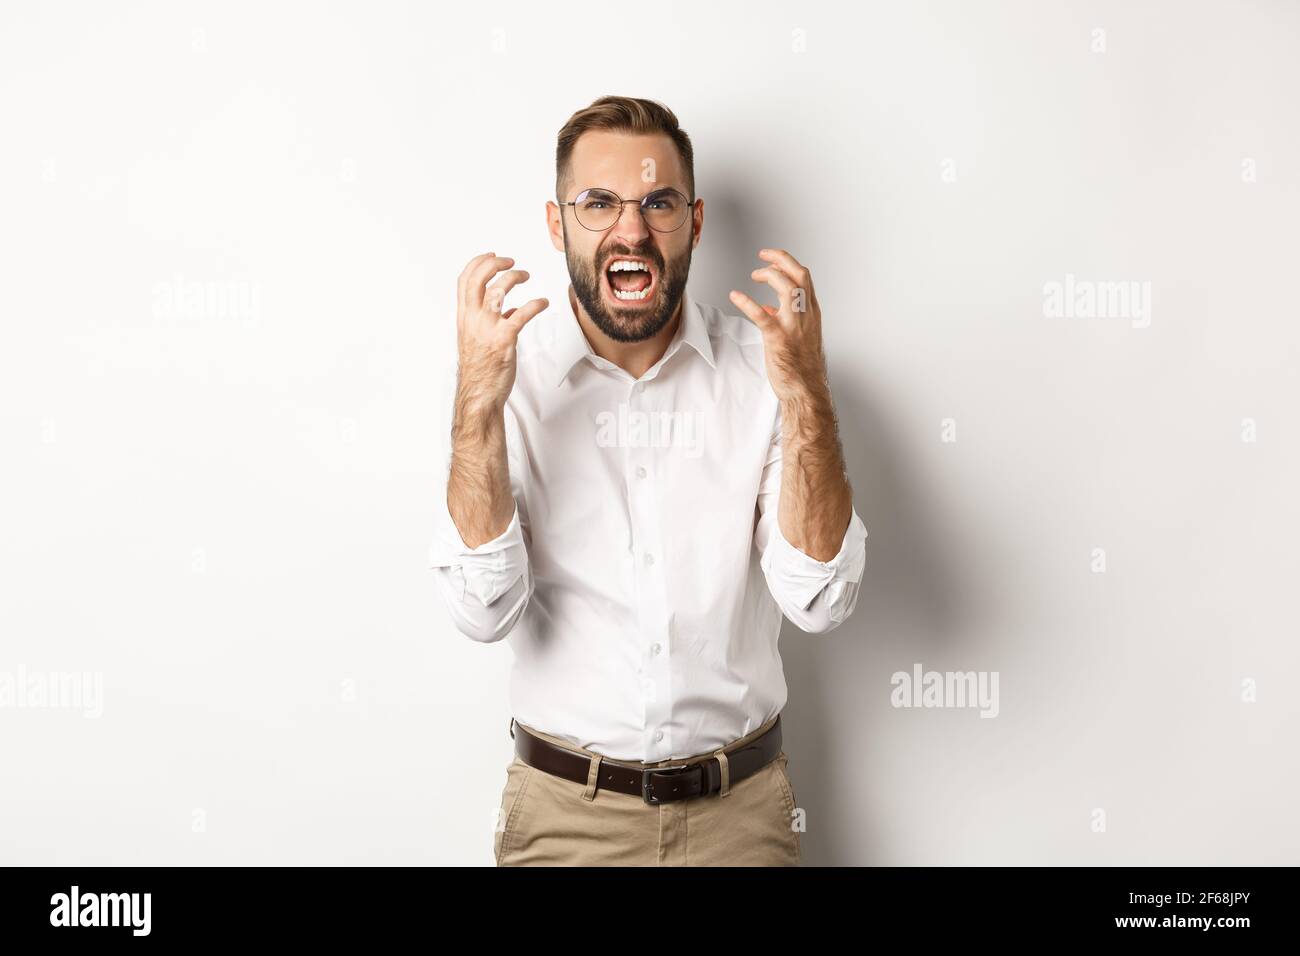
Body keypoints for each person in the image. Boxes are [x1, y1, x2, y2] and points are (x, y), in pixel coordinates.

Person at [428, 95, 868, 866]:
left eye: (657, 203)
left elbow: (820, 600)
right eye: (598, 203)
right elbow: (480, 610)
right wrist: (476, 408)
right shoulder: (509, 381)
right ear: (557, 223)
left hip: (744, 819)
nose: (630, 231)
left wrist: (807, 395)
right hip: (565, 821)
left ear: (694, 223)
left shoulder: (765, 374)